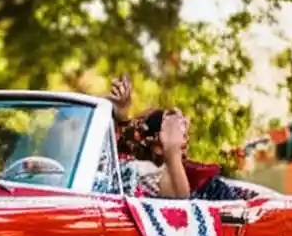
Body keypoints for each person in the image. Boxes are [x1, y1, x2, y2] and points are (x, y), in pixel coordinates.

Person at [107, 76, 257, 201]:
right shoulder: (142, 173)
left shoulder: (205, 183)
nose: (185, 139)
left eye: (185, 134)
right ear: (158, 146)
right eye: (177, 132)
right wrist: (172, 151)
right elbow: (179, 202)